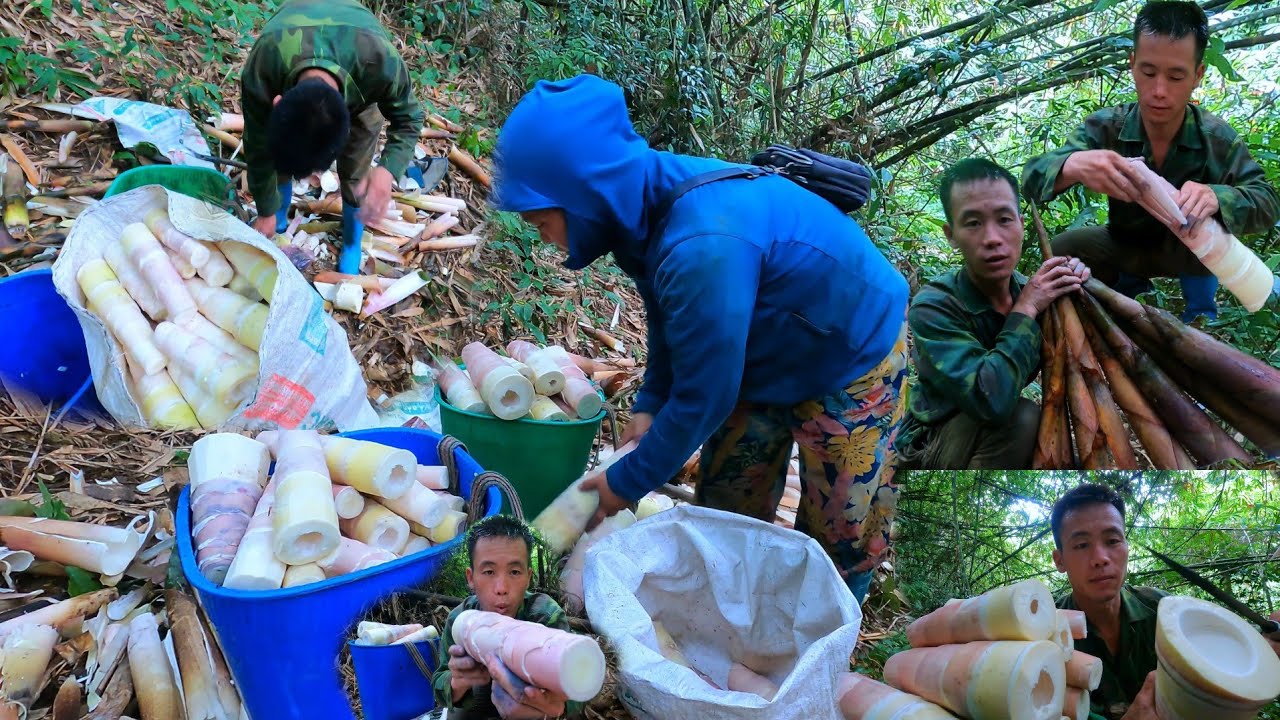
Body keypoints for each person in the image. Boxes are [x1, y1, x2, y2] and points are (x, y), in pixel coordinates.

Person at [490, 73, 911, 603]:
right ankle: (721, 620)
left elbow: (706, 394)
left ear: (583, 194)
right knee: (724, 510)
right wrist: (650, 401)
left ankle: (827, 645)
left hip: (853, 358)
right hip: (762, 349)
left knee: (837, 534)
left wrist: (627, 482)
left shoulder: (703, 241)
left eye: (540, 219)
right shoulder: (639, 210)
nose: (539, 234)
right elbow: (668, 316)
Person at [1021, 0, 1280, 323]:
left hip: (1192, 254)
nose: (1159, 90)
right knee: (1065, 246)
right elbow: (1031, 178)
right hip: (1127, 244)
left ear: (1198, 74)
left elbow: (1267, 201)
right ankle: (1116, 300)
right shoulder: (1107, 127)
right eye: (1148, 72)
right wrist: (1073, 164)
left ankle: (1200, 317)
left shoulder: (1215, 137)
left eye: (1175, 76)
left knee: (1200, 313)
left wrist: (1218, 196)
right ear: (1132, 64)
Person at [895, 158, 1090, 470]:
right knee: (1022, 418)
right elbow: (991, 401)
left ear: (1022, 224)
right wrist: (1025, 310)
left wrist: (1080, 286)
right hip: (932, 439)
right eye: (972, 223)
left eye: (1004, 219)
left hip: (987, 434)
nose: (992, 239)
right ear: (950, 234)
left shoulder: (1034, 291)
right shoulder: (935, 306)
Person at [239, 0, 430, 274]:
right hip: (296, 39)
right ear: (277, 101)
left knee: (356, 173)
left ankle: (352, 242)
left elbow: (409, 118)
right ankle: (278, 215)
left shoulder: (380, 63)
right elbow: (258, 145)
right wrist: (266, 211)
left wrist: (387, 172)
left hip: (360, 66)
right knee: (280, 151)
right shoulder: (264, 64)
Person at [431, 515, 584, 719]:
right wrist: (458, 682)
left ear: (528, 577)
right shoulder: (461, 620)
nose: (502, 588)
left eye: (514, 572)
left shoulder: (544, 617)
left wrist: (554, 708)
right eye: (488, 572)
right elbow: (439, 684)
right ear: (471, 578)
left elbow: (575, 689)